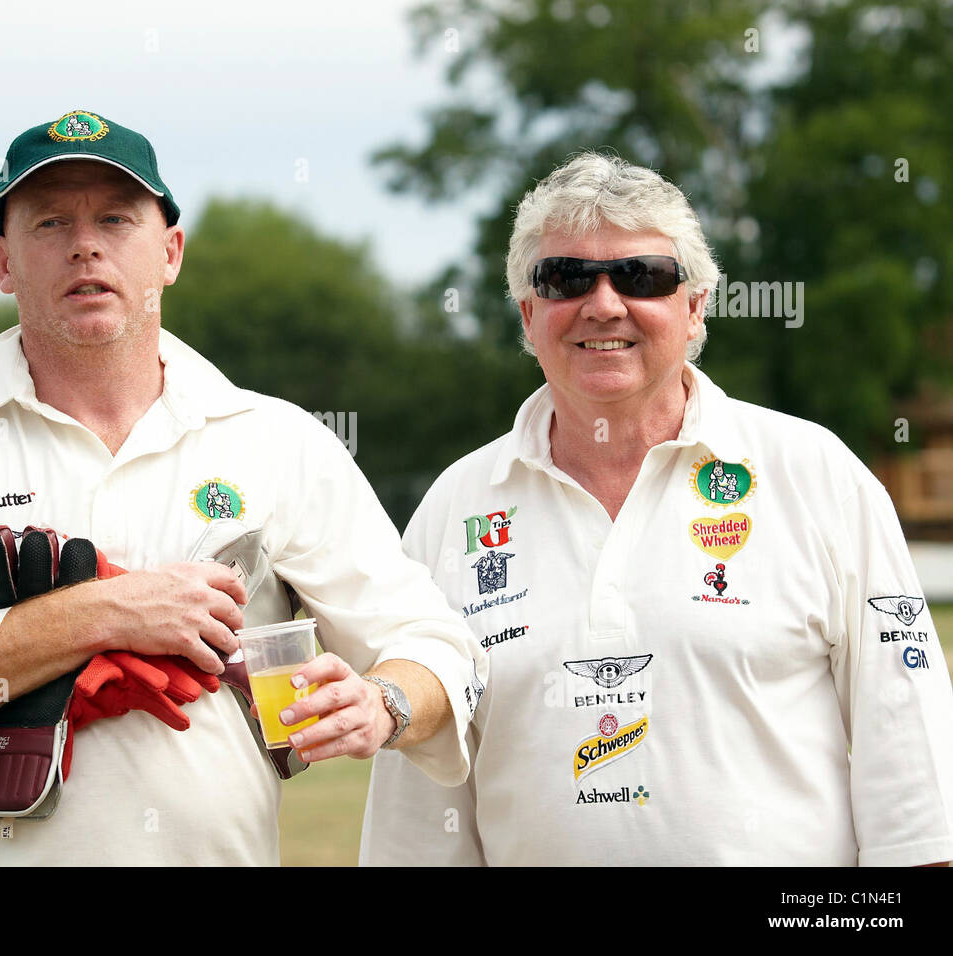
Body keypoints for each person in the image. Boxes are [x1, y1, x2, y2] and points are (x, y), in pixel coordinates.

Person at [0, 109, 485, 865]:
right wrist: (106, 611)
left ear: (169, 252)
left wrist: (383, 702)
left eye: (115, 218)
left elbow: (435, 644)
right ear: (2, 262)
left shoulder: (275, 438)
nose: (85, 244)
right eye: (49, 223)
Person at [360, 152, 953, 866]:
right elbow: (418, 817)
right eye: (566, 278)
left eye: (642, 276)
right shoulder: (455, 508)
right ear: (528, 312)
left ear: (696, 304)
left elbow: (914, 763)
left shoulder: (816, 474)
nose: (604, 304)